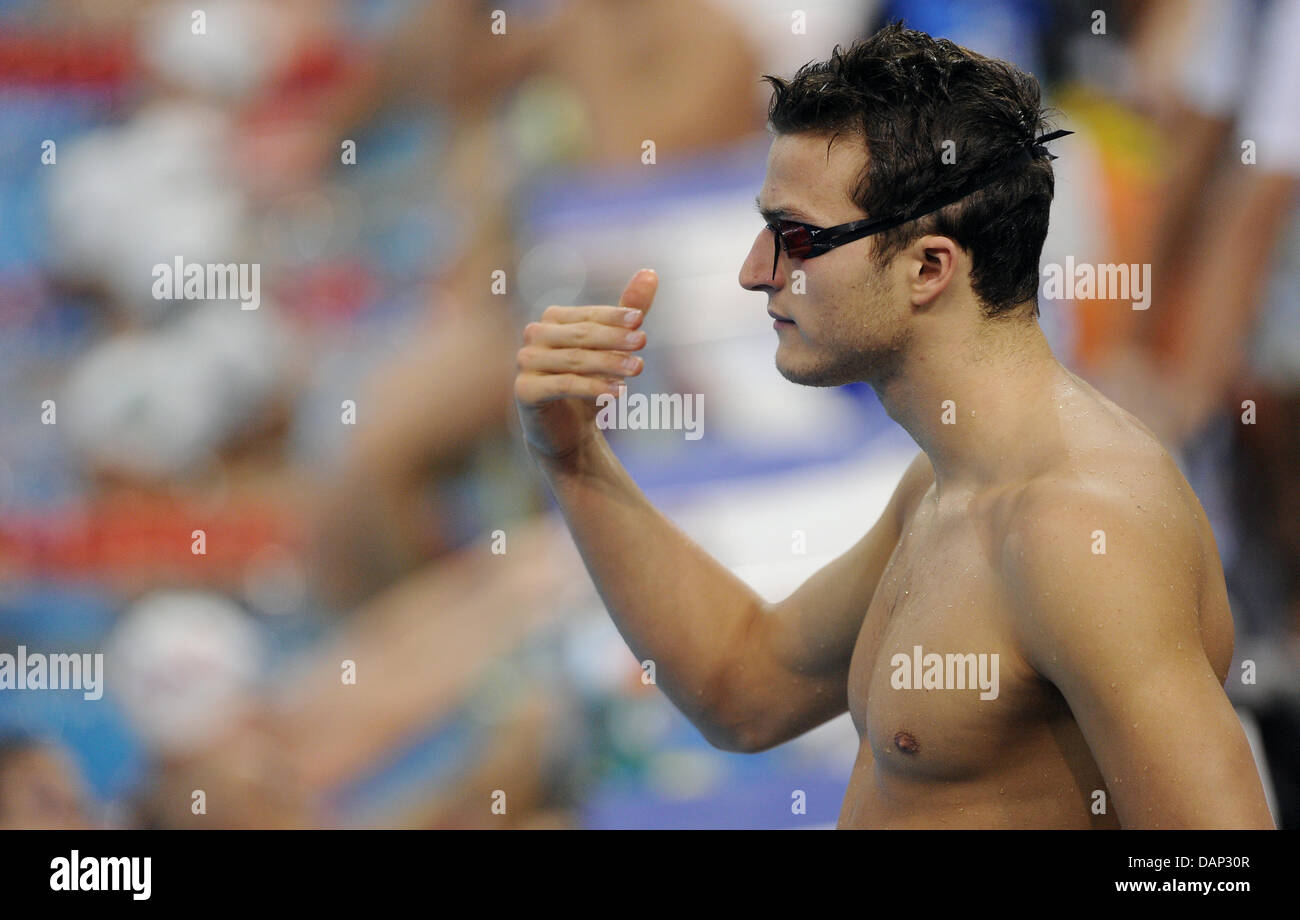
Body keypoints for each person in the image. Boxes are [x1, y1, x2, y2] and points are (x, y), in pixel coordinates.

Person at [512, 23, 1276, 829]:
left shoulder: (1077, 528)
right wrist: (573, 457)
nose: (753, 271)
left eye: (796, 238)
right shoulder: (949, 481)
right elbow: (743, 687)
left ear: (929, 268)